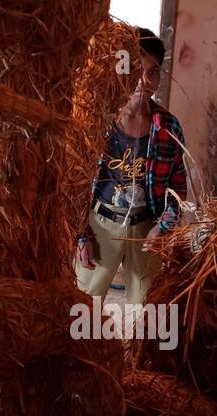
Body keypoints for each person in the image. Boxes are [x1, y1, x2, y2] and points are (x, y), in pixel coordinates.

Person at [75, 28, 187, 305]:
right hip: (101, 225)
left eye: (152, 72)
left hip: (146, 228)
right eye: (133, 69)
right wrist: (80, 236)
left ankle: (138, 348)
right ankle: (89, 348)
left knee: (148, 304)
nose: (142, 81)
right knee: (83, 304)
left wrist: (163, 228)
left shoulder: (169, 127)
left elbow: (178, 187)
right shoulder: (96, 121)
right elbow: (74, 185)